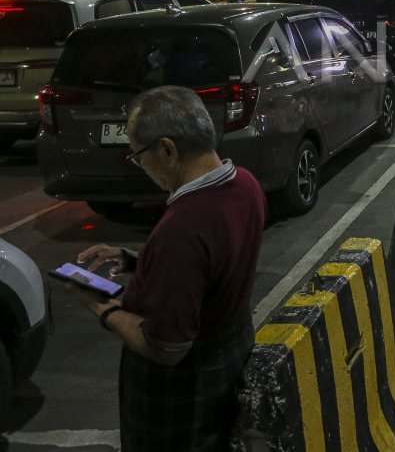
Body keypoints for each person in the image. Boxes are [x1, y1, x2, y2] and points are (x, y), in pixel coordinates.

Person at [67, 86, 266, 451]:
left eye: (138, 155)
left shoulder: (182, 227)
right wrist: (138, 260)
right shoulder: (245, 184)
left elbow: (167, 347)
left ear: (168, 149)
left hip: (182, 398)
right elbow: (213, 265)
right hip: (227, 363)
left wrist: (100, 306)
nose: (140, 166)